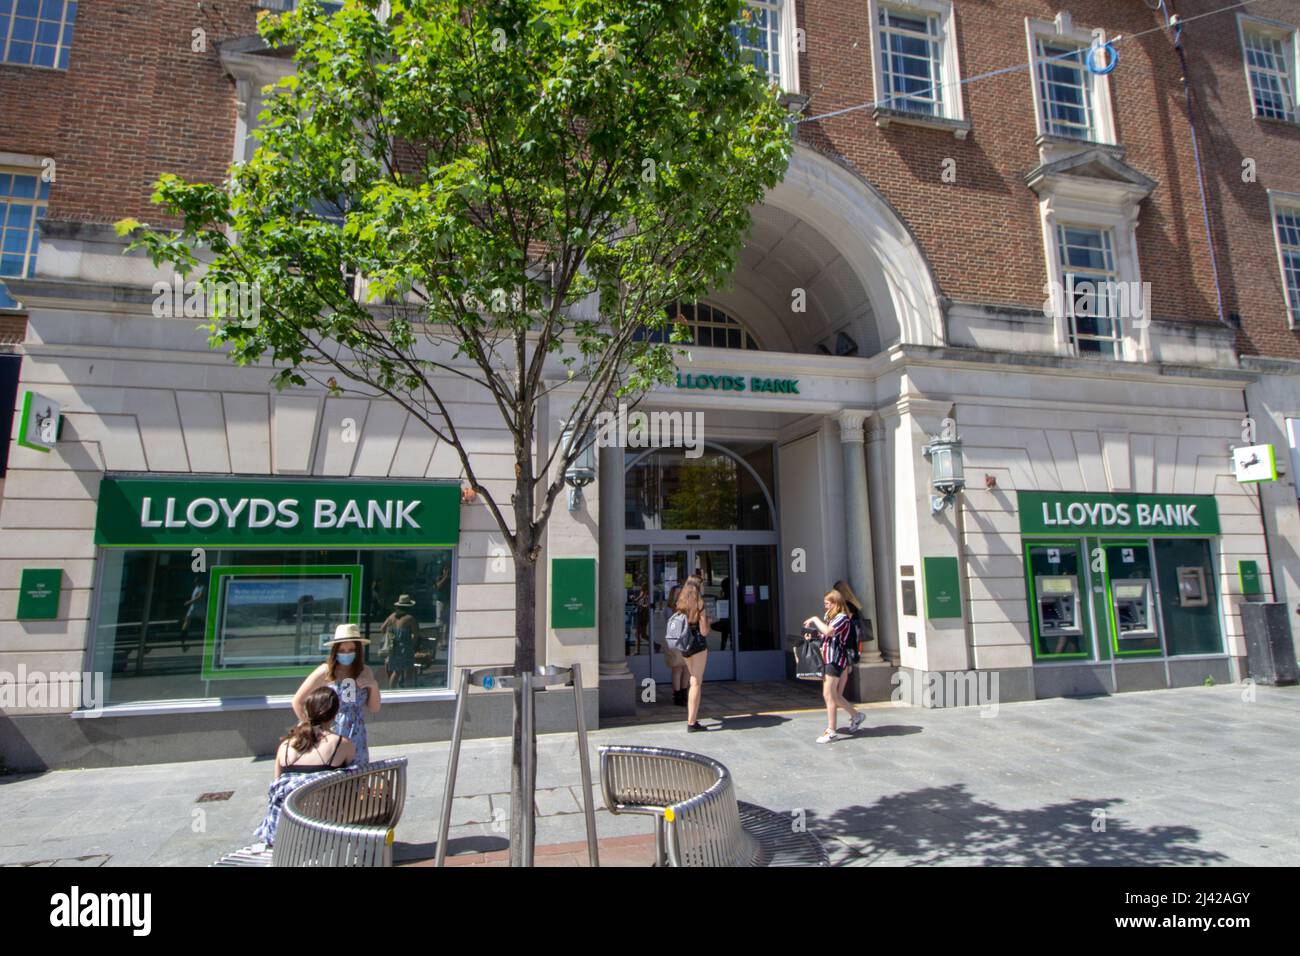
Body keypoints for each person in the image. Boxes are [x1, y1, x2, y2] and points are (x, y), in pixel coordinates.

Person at [253, 685, 357, 847]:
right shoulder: (341, 745)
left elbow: (275, 786)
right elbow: (352, 788)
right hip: (325, 832)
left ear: (307, 711)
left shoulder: (285, 747)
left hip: (285, 835)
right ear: (335, 714)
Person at [293, 623, 381, 765]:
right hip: (329, 731)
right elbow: (297, 701)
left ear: (358, 650)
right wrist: (310, 728)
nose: (346, 653)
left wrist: (373, 685)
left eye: (351, 649)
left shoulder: (365, 671)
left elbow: (375, 707)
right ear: (335, 651)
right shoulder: (325, 671)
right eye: (342, 650)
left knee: (355, 777)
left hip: (356, 734)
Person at [803, 589, 864, 744]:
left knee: (830, 695)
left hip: (835, 659)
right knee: (833, 695)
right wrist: (814, 635)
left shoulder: (842, 618)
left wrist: (815, 619)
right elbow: (826, 636)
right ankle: (856, 716)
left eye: (827, 603)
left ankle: (831, 731)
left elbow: (829, 632)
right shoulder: (833, 618)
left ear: (836, 603)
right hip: (833, 659)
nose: (825, 606)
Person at [676, 581, 711, 731]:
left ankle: (692, 720)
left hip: (685, 645)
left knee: (692, 677)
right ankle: (692, 722)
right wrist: (708, 622)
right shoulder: (699, 602)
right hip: (697, 644)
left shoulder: (680, 603)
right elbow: (704, 631)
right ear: (697, 588)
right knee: (696, 681)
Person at [832, 578, 865, 702]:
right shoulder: (853, 603)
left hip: (847, 636)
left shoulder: (847, 605)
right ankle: (839, 693)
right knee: (845, 664)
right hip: (851, 636)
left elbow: (844, 621)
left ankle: (839, 693)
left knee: (844, 663)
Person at [380, 594, 419, 689]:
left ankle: (392, 690)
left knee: (396, 671)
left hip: (393, 647)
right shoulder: (410, 618)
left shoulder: (392, 616)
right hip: (405, 647)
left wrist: (391, 634)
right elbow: (415, 633)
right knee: (408, 670)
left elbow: (382, 629)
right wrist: (413, 644)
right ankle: (407, 690)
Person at [178, 575, 205, 652]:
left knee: (206, 622)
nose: (195, 582)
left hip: (200, 608)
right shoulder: (196, 588)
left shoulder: (202, 587)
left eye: (196, 581)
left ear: (199, 581)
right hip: (193, 608)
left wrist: (189, 602)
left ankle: (216, 636)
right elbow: (194, 597)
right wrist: (190, 603)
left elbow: (199, 597)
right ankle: (183, 642)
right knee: (186, 623)